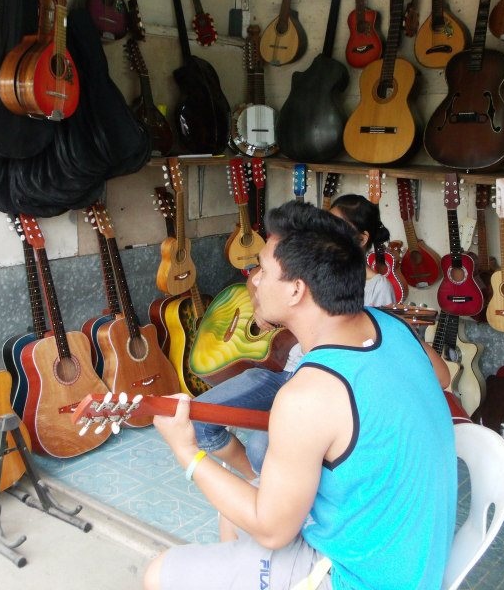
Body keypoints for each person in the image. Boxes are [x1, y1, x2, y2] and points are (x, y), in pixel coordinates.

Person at [144, 201, 457, 590]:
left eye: (262, 269)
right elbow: (441, 376)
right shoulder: (392, 326)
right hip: (411, 558)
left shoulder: (309, 394)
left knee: (160, 573)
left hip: (361, 578)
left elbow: (272, 531)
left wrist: (187, 453)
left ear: (296, 290)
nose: (254, 280)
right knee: (239, 506)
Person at [191, 194, 409, 480]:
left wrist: (187, 458)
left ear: (362, 237)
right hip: (284, 369)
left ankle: (270, 490)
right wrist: (260, 308)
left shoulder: (373, 296)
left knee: (262, 450)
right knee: (201, 416)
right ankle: (261, 484)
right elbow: (254, 280)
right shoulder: (304, 276)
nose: (258, 279)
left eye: (334, 225)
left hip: (313, 378)